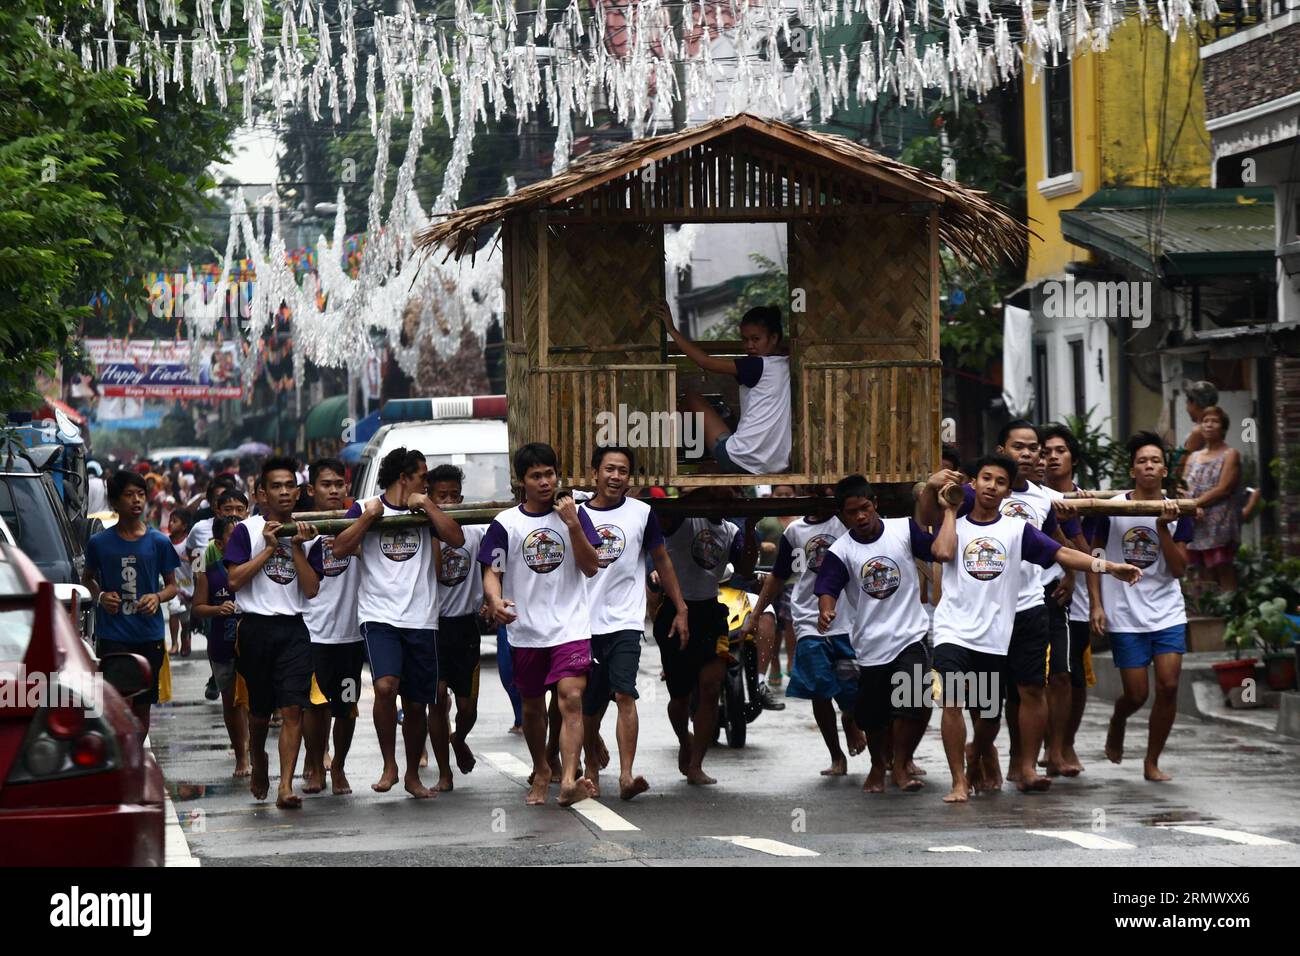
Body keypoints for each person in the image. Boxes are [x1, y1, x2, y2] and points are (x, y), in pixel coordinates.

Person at [927, 455, 1141, 802]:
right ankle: (958, 783)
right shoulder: (953, 522)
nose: (991, 486)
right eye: (985, 478)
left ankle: (977, 755)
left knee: (988, 716)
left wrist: (1109, 566)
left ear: (1007, 491)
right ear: (974, 483)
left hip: (994, 637)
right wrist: (950, 511)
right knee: (951, 701)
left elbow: (1062, 554)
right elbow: (943, 551)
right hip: (953, 630)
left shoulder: (1016, 530)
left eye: (999, 482)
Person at [919, 420, 1083, 790]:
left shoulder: (1044, 499)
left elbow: (1058, 544)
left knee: (1033, 688)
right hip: (983, 609)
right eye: (1018, 447)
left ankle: (1024, 766)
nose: (1027, 453)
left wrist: (1072, 576)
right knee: (983, 693)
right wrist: (931, 489)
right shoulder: (975, 492)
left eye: (1033, 447)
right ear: (1000, 451)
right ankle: (983, 753)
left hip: (1030, 604)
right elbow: (931, 522)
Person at [332, 448, 464, 800]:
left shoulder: (425, 511)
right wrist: (367, 519)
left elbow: (456, 538)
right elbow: (339, 548)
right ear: (403, 477)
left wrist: (430, 506)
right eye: (422, 476)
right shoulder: (364, 507)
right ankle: (389, 764)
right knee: (387, 686)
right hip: (379, 616)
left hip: (422, 617)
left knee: (418, 701)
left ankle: (410, 774)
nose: (427, 481)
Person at [479, 443, 602, 807]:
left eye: (549, 474)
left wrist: (573, 525)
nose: (545, 482)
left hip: (571, 628)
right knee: (532, 708)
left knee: (572, 698)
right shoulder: (506, 524)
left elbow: (591, 565)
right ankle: (541, 769)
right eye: (536, 476)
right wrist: (495, 600)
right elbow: (492, 571)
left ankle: (567, 780)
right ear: (522, 481)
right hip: (526, 630)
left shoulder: (577, 515)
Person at [579, 446, 689, 801]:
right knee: (590, 705)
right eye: (609, 469)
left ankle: (626, 776)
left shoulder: (643, 513)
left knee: (625, 693)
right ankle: (591, 770)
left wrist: (680, 607)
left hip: (626, 620)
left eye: (623, 471)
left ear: (630, 477)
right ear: (594, 472)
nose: (615, 476)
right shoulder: (575, 516)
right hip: (583, 623)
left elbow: (662, 560)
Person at [815, 474, 934, 792]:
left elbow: (936, 549)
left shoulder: (904, 529)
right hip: (870, 643)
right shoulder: (841, 550)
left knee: (912, 700)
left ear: (876, 504)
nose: (861, 517)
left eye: (866, 508)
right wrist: (826, 609)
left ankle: (900, 765)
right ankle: (877, 765)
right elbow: (827, 586)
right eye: (853, 512)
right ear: (842, 515)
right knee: (873, 716)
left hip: (910, 634)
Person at [223, 457, 321, 808]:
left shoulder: (309, 532)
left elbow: (311, 590)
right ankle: (258, 757)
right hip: (254, 629)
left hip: (293, 628)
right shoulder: (245, 531)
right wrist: (268, 549)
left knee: (293, 708)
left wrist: (295, 547)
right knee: (260, 713)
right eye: (275, 487)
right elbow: (233, 580)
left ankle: (285, 786)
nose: (283, 492)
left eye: (288, 486)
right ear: (261, 493)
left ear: (297, 492)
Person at [1098, 432, 1195, 782]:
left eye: (1155, 460)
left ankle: (1151, 761)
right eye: (1142, 461)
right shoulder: (1112, 509)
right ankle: (1119, 719)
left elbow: (1179, 569)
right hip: (1125, 614)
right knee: (1136, 694)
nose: (1149, 466)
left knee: (1169, 687)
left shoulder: (1180, 510)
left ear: (1165, 470)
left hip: (1167, 610)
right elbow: (1092, 558)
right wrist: (1097, 604)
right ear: (1132, 470)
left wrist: (1162, 529)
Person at [745, 487, 862, 776]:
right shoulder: (795, 531)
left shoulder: (846, 522)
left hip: (849, 618)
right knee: (818, 690)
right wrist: (756, 614)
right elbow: (778, 576)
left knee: (853, 690)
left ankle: (851, 721)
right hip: (809, 619)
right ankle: (836, 756)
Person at [656, 489, 759, 785]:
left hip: (711, 613)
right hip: (675, 611)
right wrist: (698, 496)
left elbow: (745, 569)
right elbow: (665, 515)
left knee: (711, 688)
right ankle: (684, 741)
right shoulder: (683, 521)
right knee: (679, 698)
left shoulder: (732, 531)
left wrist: (752, 525)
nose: (723, 503)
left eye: (729, 499)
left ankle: (697, 764)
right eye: (720, 495)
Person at [83, 470, 180, 738]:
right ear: (114, 502)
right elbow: (87, 580)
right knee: (116, 703)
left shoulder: (159, 542)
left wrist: (157, 597)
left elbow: (173, 586)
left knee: (142, 707)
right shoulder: (99, 543)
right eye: (129, 495)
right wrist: (101, 596)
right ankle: (120, 760)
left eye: (140, 494)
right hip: (113, 636)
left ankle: (135, 761)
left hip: (149, 636)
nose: (137, 501)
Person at [658, 302, 791, 475]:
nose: (749, 345)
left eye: (756, 339)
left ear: (774, 338)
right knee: (710, 466)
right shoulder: (787, 363)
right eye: (745, 339)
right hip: (777, 466)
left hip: (739, 459)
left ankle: (665, 445)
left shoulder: (757, 364)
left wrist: (672, 330)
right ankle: (707, 462)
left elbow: (705, 362)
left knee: (692, 397)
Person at [299, 458, 364, 797]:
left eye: (339, 483)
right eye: (326, 484)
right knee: (315, 704)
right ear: (311, 490)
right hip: (314, 633)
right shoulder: (300, 528)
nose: (334, 489)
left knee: (347, 706)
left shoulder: (359, 522)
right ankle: (313, 765)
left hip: (351, 635)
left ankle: (338, 765)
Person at [1040, 423, 1102, 777]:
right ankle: (1047, 744)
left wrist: (1095, 602)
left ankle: (1066, 742)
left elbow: (1090, 553)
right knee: (1047, 675)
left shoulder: (1088, 501)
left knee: (1074, 675)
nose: (1052, 457)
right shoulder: (1033, 497)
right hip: (1045, 594)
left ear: (1073, 458)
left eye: (1060, 451)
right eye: (1046, 452)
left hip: (1078, 601)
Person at [427, 464, 489, 792]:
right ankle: (443, 773)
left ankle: (459, 736)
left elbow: (493, 568)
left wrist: (491, 598)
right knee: (436, 699)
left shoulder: (476, 531)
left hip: (465, 627)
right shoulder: (420, 530)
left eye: (454, 495)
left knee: (467, 707)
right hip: (432, 626)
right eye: (441, 497)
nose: (449, 502)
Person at [191, 515, 250, 777]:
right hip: (221, 647)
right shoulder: (209, 571)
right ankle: (241, 755)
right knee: (231, 703)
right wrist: (218, 609)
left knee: (254, 702)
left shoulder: (254, 568)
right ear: (219, 542)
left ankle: (252, 750)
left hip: (251, 644)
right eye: (233, 537)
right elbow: (197, 608)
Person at [1184, 406, 1241, 592]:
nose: (1209, 425)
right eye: (1205, 421)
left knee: (1222, 567)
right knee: (1200, 571)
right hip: (1195, 520)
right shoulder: (1193, 457)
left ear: (1223, 428)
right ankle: (1207, 615)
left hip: (1219, 521)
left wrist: (1194, 504)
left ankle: (1232, 614)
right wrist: (1190, 508)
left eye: (1214, 421)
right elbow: (1181, 485)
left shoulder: (1230, 454)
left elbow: (1223, 488)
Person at [167, 510, 195, 657]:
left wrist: (184, 559)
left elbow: (197, 562)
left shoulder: (189, 542)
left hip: (189, 586)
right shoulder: (166, 541)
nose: (170, 523)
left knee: (186, 619)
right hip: (173, 585)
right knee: (174, 611)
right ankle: (174, 644)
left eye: (175, 521)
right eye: (170, 520)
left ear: (184, 526)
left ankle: (185, 639)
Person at [1180, 380, 1220, 459]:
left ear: (1194, 403)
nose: (1186, 408)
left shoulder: (1199, 431)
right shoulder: (1212, 428)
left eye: (1187, 402)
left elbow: (1181, 464)